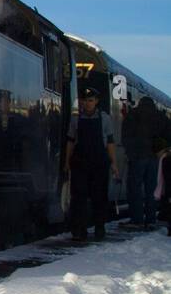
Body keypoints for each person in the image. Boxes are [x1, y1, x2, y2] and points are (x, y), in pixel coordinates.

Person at [64, 87, 118, 240]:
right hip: (80, 162)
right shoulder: (75, 119)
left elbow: (110, 142)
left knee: (99, 197)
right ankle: (79, 230)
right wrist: (67, 162)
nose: (88, 104)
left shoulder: (105, 118)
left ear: (96, 101)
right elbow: (70, 141)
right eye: (85, 100)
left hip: (99, 163)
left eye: (91, 100)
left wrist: (114, 163)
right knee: (78, 197)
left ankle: (99, 228)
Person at [122, 95, 167, 228]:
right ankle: (151, 219)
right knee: (151, 189)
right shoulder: (160, 116)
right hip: (154, 157)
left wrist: (130, 153)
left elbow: (125, 135)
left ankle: (137, 219)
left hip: (137, 157)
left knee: (134, 188)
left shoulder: (133, 114)